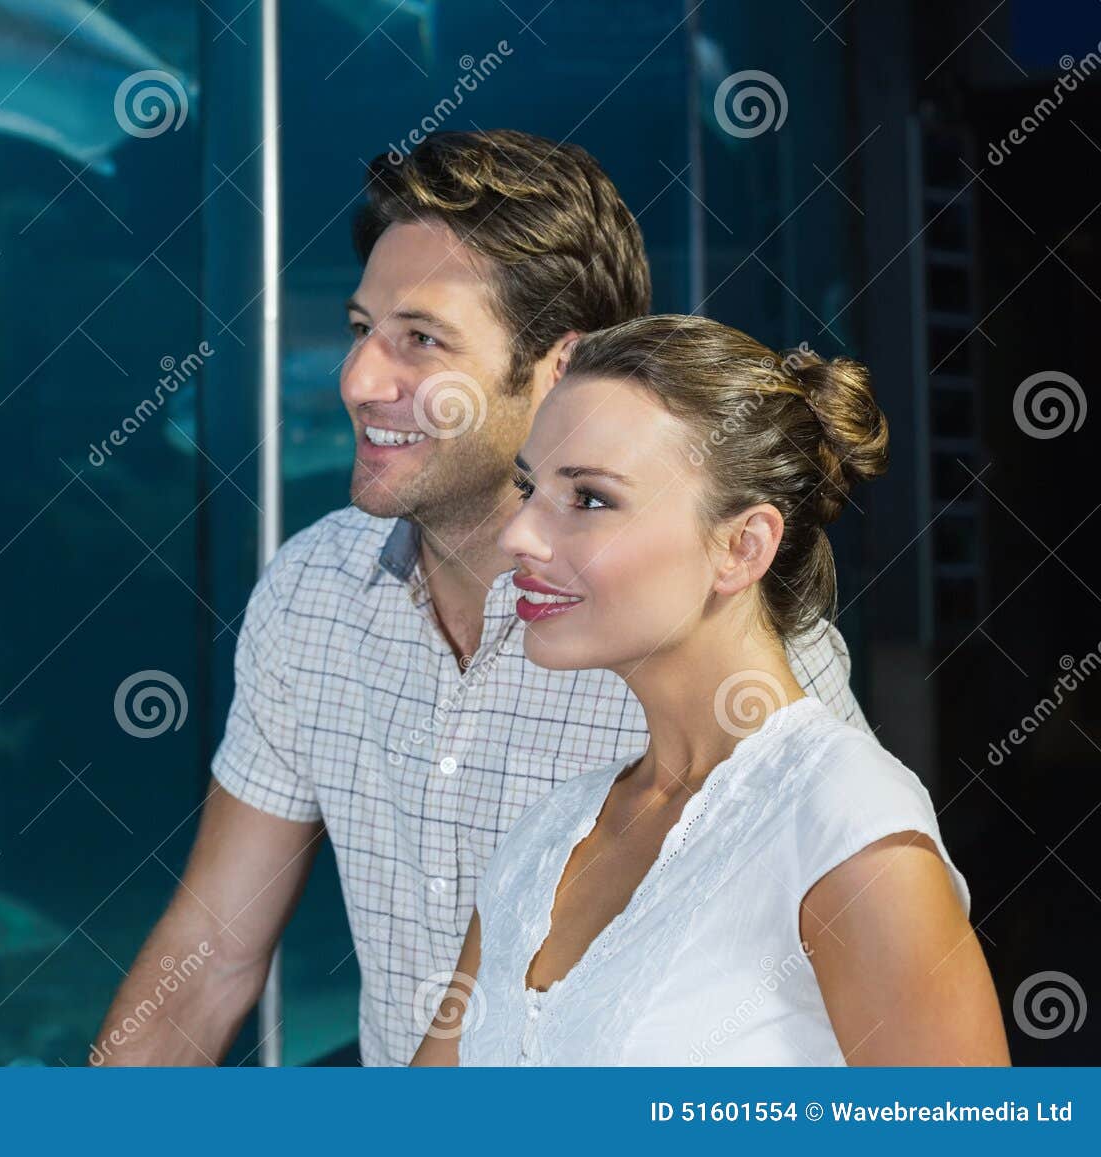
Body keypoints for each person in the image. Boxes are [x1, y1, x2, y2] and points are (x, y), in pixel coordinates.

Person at [90, 131, 869, 1068]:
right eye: (360, 330)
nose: (357, 380)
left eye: (420, 339)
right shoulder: (311, 593)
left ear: (562, 369)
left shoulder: (720, 642)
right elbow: (210, 952)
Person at [409, 314, 1007, 1066]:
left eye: (589, 498)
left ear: (741, 548)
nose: (520, 536)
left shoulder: (845, 824)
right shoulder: (543, 840)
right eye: (531, 487)